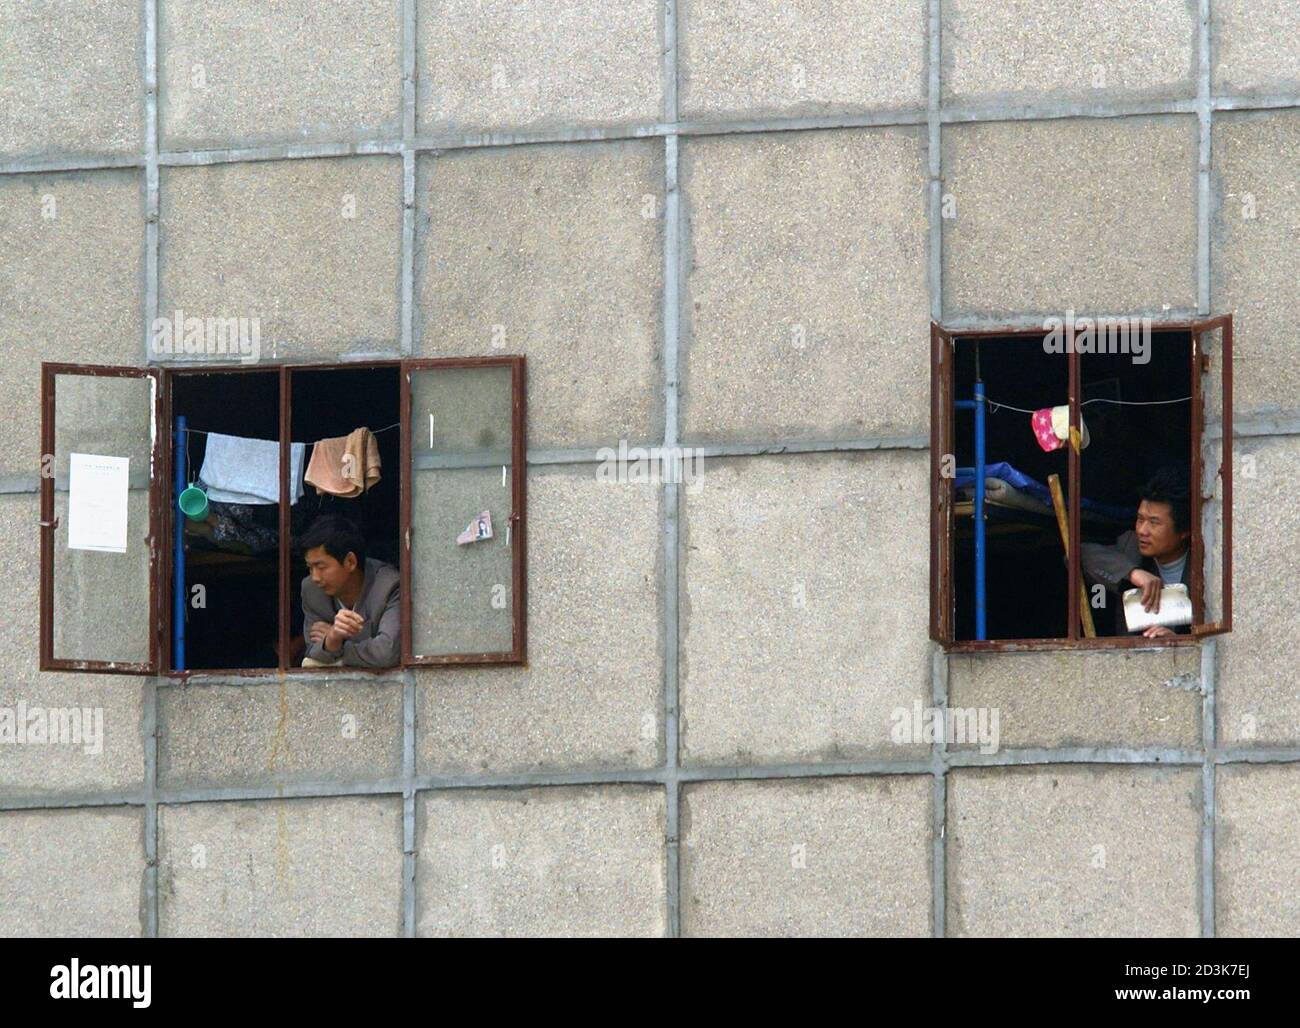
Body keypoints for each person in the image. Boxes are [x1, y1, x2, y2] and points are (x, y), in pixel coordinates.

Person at [1080, 466, 1192, 639]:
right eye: (1140, 519)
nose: (1142, 530)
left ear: (1184, 530)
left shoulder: (1205, 563)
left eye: (1154, 522)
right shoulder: (1129, 547)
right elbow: (1080, 555)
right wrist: (1132, 572)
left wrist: (1179, 641)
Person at [299, 515, 400, 667]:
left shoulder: (389, 586)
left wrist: (338, 644)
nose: (315, 577)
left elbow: (387, 652)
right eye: (310, 568)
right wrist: (333, 638)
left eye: (321, 567)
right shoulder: (311, 591)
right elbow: (313, 651)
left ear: (350, 562)